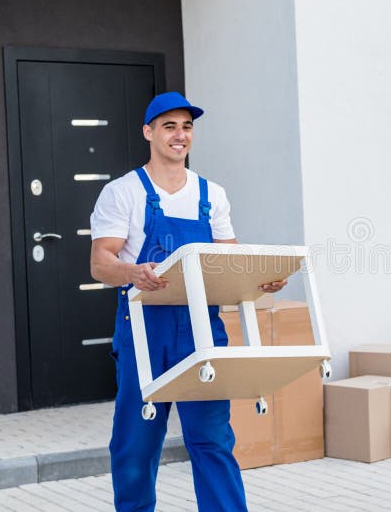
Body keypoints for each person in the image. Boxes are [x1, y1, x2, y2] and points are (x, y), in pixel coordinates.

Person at [89, 92, 285, 511]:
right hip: (145, 332)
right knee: (136, 444)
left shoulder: (211, 194)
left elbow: (228, 262)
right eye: (169, 126)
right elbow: (100, 263)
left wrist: (258, 279)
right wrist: (132, 272)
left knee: (213, 439)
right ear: (149, 132)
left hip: (201, 332)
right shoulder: (123, 192)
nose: (180, 135)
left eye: (187, 127)